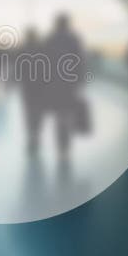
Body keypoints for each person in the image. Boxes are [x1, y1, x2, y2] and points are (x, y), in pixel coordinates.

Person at [43, 14, 88, 157]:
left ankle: (61, 144)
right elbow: (80, 60)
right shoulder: (73, 39)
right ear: (67, 24)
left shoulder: (50, 39)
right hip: (70, 83)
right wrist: (80, 80)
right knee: (67, 112)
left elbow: (44, 62)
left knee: (59, 114)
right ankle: (66, 144)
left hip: (54, 84)